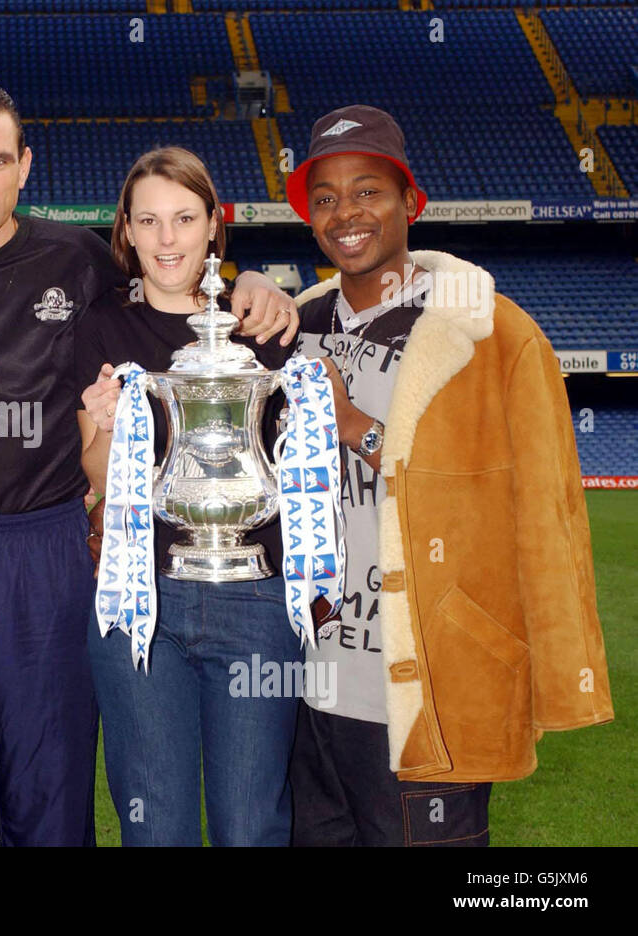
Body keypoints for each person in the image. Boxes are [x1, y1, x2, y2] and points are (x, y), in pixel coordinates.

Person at [0, 81, 297, 846]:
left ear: (25, 166)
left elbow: (179, 283)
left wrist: (251, 280)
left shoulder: (79, 259)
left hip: (52, 547)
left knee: (52, 788)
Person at [281, 104, 614, 846]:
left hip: (427, 693)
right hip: (306, 690)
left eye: (368, 190)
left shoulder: (494, 332)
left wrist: (353, 425)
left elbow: (549, 514)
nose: (346, 214)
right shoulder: (292, 328)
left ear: (411, 203)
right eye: (326, 198)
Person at [76, 147, 302, 846]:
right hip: (140, 599)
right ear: (128, 232)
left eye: (183, 219)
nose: (167, 239)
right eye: (149, 221)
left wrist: (261, 282)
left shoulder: (260, 325)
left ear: (214, 227)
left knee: (249, 826)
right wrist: (111, 424)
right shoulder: (101, 329)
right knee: (155, 825)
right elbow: (97, 483)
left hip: (257, 599)